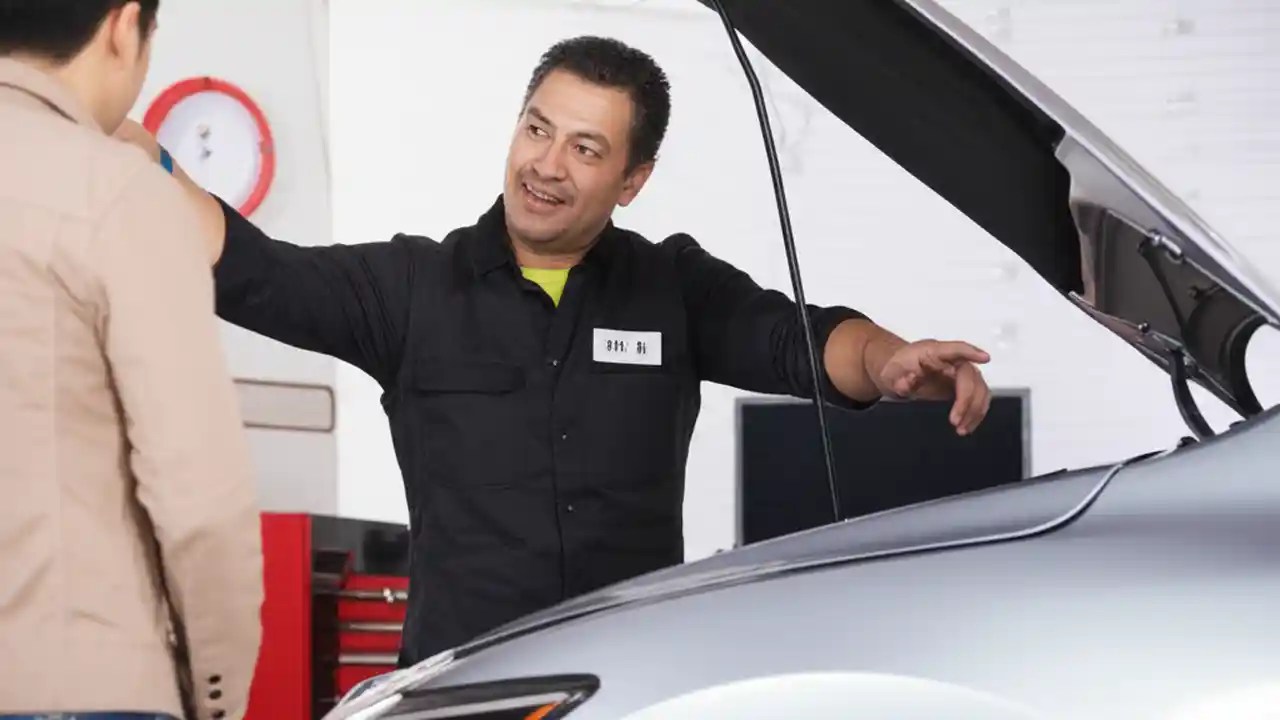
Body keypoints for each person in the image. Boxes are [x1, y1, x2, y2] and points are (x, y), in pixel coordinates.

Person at [125, 35, 992, 668]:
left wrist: (886, 359)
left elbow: (797, 339)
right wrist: (127, 147)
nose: (547, 165)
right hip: (463, 690)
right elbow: (253, 271)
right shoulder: (409, 291)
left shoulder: (675, 289)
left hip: (632, 683)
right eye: (538, 130)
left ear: (632, 180)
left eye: (586, 148)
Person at [0, 2, 263, 719]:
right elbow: (201, 503)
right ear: (122, 27)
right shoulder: (117, 193)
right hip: (74, 685)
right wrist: (217, 698)